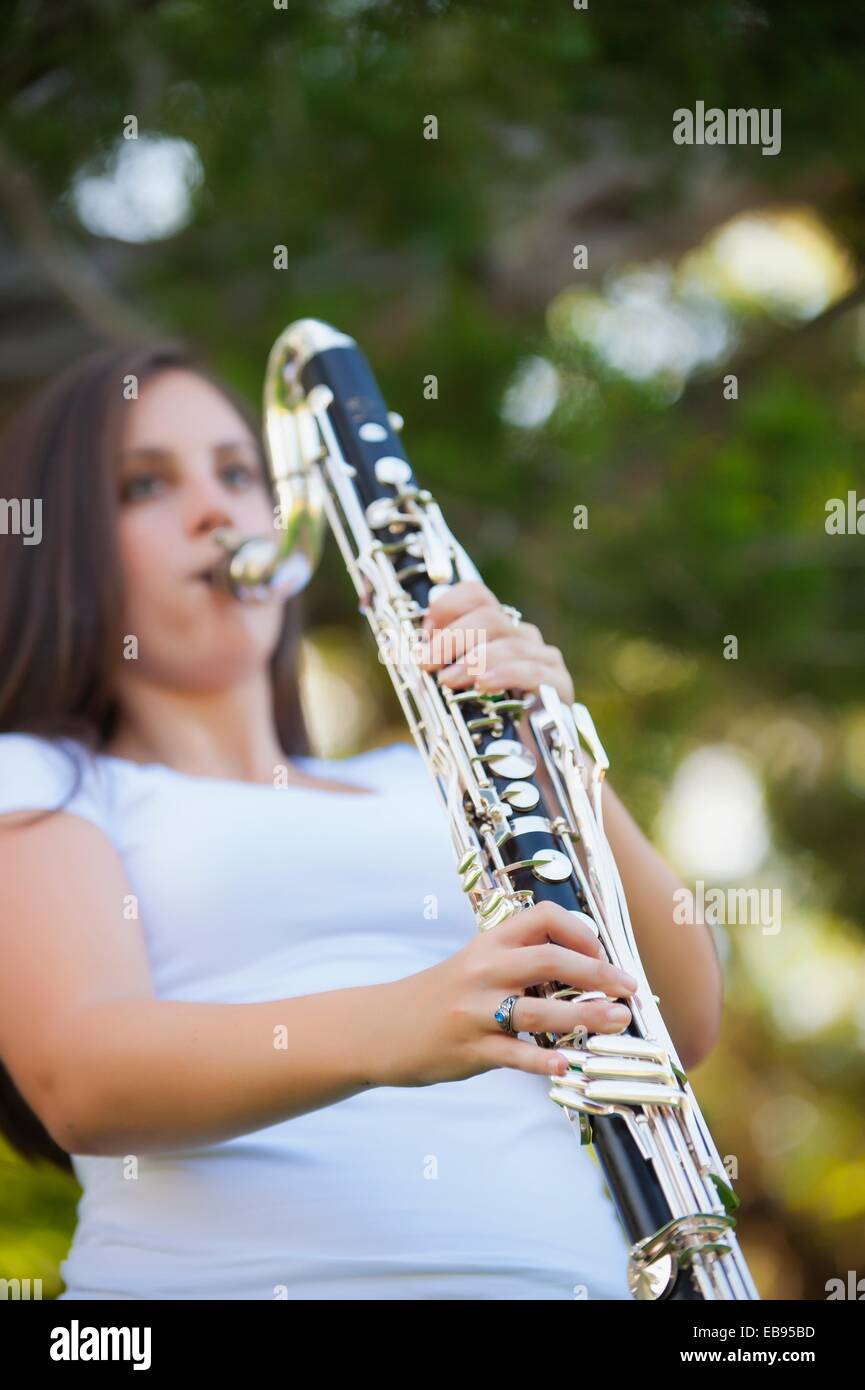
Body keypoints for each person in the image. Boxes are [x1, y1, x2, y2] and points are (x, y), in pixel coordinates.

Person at [0, 341, 722, 1301]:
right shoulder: (44, 777)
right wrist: (408, 1021)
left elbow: (684, 1016)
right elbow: (81, 1078)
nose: (217, 511)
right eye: (144, 485)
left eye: (238, 474)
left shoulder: (419, 774)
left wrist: (554, 749)